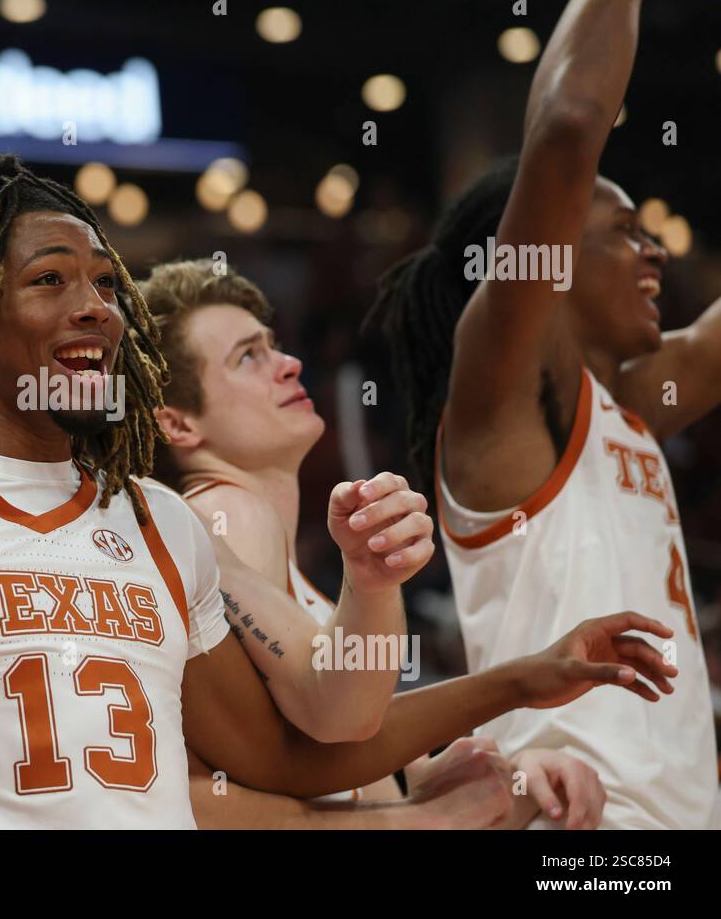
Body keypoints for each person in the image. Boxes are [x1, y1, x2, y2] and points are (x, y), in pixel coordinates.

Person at [0, 155, 673, 828]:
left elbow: (293, 759)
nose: (95, 303)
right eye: (51, 280)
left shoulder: (157, 522)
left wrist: (528, 676)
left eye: (104, 280)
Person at [369, 0, 719, 828]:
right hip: (579, 826)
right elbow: (566, 128)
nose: (656, 253)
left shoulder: (630, 405)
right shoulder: (500, 397)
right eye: (624, 232)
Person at [140, 258, 607, 829]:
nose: (288, 365)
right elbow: (330, 719)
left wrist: (502, 778)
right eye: (249, 357)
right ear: (179, 425)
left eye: (274, 346)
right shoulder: (223, 513)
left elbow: (349, 748)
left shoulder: (276, 570)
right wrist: (424, 816)